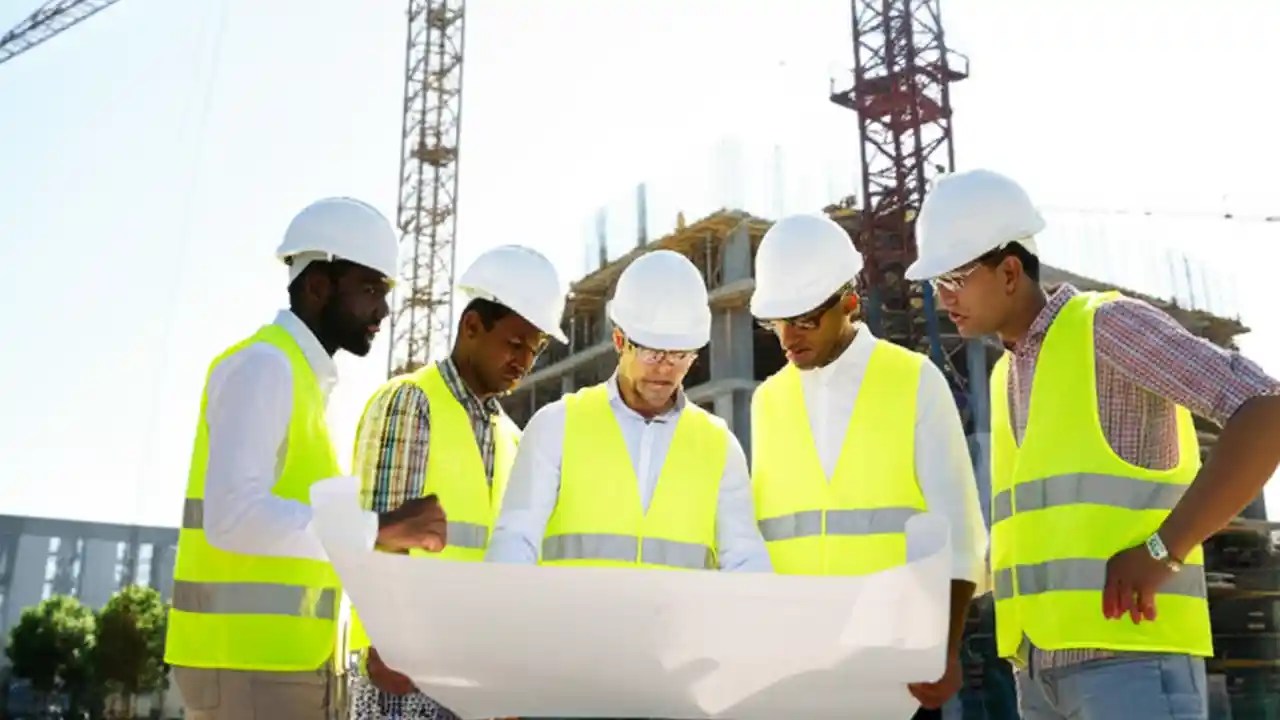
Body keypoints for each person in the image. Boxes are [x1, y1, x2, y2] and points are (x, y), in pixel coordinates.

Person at [904, 168, 1280, 720]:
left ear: (1010, 270)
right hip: (1036, 674)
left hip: (1129, 666)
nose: (944, 298)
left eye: (955, 278)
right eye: (937, 283)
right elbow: (1029, 538)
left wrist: (1163, 549)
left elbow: (1265, 411)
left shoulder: (1107, 327)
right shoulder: (1005, 375)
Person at [165, 197, 449, 720]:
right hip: (249, 670)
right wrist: (380, 528)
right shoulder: (265, 366)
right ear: (318, 287)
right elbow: (232, 518)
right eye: (370, 290)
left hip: (292, 667)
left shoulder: (308, 387)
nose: (383, 311)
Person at [748, 213, 989, 716]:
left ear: (850, 304)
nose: (789, 336)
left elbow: (961, 532)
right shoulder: (767, 401)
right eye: (777, 322)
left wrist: (945, 646)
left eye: (806, 319)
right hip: (796, 665)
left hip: (896, 666)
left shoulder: (913, 380)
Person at [343, 245, 568, 720]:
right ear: (471, 327)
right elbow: (378, 538)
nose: (525, 361)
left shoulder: (512, 437)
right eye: (515, 343)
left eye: (535, 349)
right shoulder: (411, 402)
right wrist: (388, 641)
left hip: (477, 678)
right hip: (403, 676)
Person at [485, 248, 771, 565]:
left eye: (679, 355)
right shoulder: (557, 427)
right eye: (652, 353)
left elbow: (745, 558)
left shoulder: (719, 446)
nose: (665, 369)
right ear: (620, 341)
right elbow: (515, 541)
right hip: (573, 616)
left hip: (675, 617)